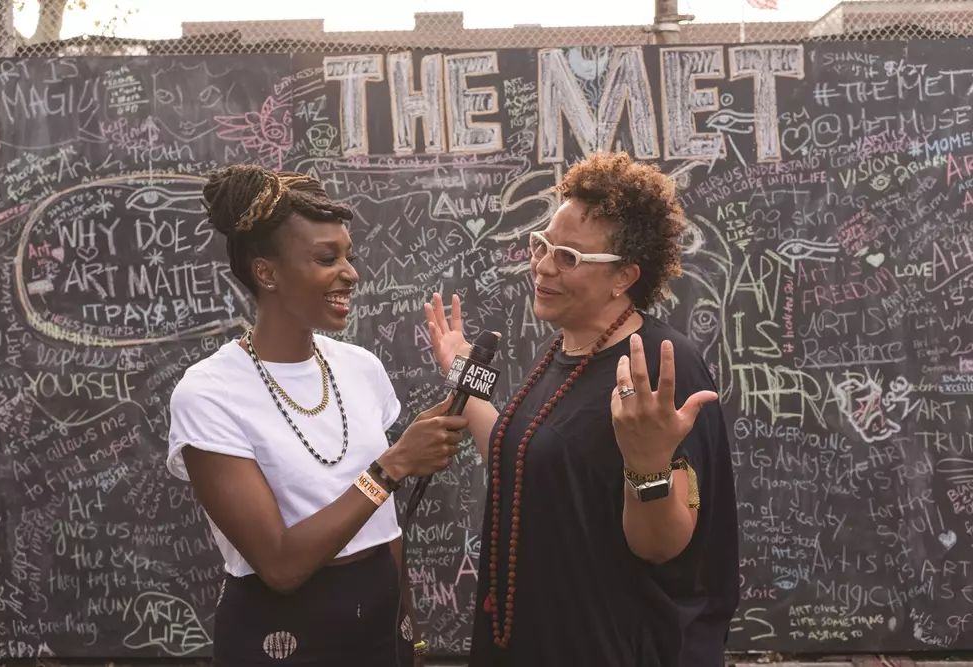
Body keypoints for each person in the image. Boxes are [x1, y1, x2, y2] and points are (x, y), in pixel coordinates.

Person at [424, 152, 740, 666]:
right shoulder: (564, 354)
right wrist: (463, 372)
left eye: (569, 257)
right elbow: (521, 457)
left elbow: (662, 545)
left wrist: (648, 465)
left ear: (624, 276)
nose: (543, 265)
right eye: (542, 245)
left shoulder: (659, 367)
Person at [166, 164, 468, 667]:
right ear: (267, 273)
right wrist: (392, 466)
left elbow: (385, 531)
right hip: (280, 635)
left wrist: (409, 634)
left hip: (380, 619)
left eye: (349, 256)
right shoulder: (208, 393)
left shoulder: (361, 368)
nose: (350, 274)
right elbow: (280, 564)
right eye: (328, 258)